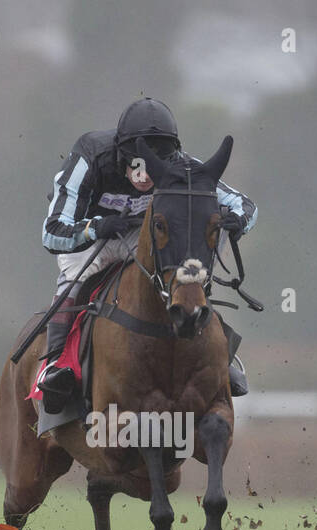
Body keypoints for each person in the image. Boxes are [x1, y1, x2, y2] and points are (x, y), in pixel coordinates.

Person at [37, 97, 258, 414]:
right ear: (120, 152)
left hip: (145, 237)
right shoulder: (90, 155)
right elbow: (52, 232)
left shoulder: (180, 164)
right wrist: (97, 227)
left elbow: (244, 205)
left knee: (189, 264)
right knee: (74, 280)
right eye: (135, 163)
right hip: (90, 236)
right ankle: (55, 364)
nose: (143, 177)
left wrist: (238, 221)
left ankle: (220, 355)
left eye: (154, 163)